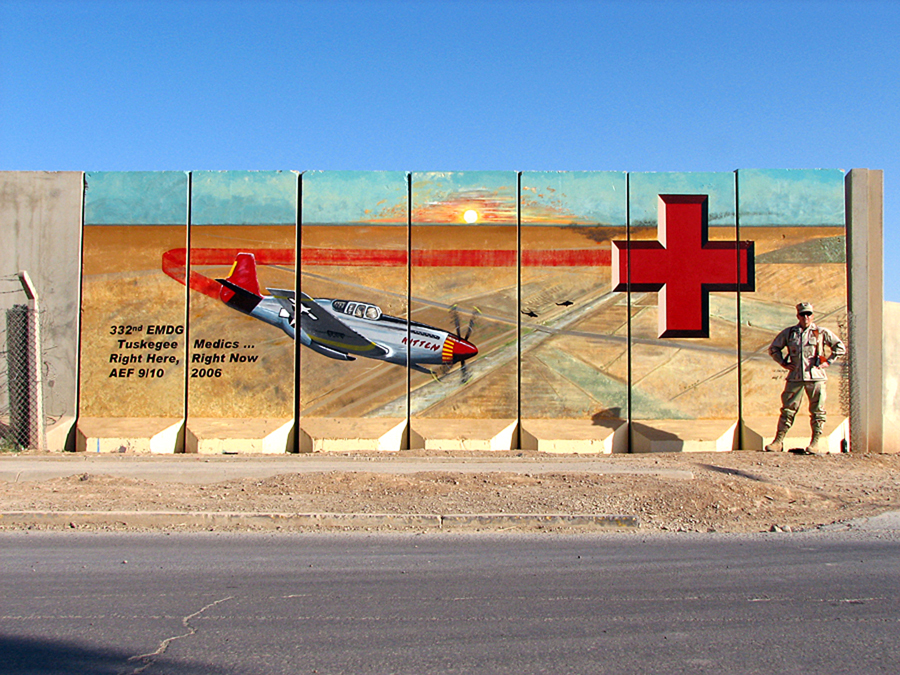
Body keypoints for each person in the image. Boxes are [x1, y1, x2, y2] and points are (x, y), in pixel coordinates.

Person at [765, 302, 846, 454]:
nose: (806, 317)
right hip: (795, 377)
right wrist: (783, 362)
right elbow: (774, 349)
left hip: (816, 377)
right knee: (788, 410)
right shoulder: (790, 333)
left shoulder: (820, 332)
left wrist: (828, 362)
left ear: (813, 315)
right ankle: (778, 441)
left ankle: (815, 442)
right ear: (798, 316)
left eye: (808, 314)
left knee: (818, 411)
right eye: (803, 314)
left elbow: (839, 347)